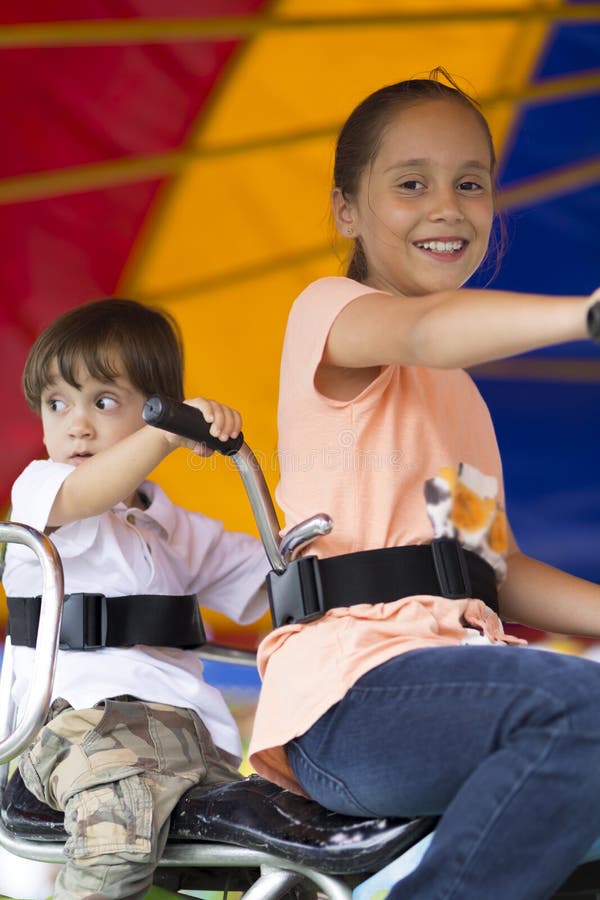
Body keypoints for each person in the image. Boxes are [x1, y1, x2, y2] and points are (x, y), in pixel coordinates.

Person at [248, 69, 600, 900]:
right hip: (351, 699)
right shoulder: (333, 312)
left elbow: (490, 566)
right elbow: (431, 330)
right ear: (346, 210)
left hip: (459, 679)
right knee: (581, 710)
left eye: (469, 184)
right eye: (412, 184)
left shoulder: (458, 397)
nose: (446, 206)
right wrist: (583, 315)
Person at [3, 297, 268, 899]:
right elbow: (91, 491)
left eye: (103, 402)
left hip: (193, 740)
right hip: (82, 729)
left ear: (153, 405)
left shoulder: (173, 525)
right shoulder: (46, 493)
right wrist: (165, 435)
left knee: (282, 855)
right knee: (113, 845)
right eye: (56, 403)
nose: (77, 424)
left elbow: (274, 577)